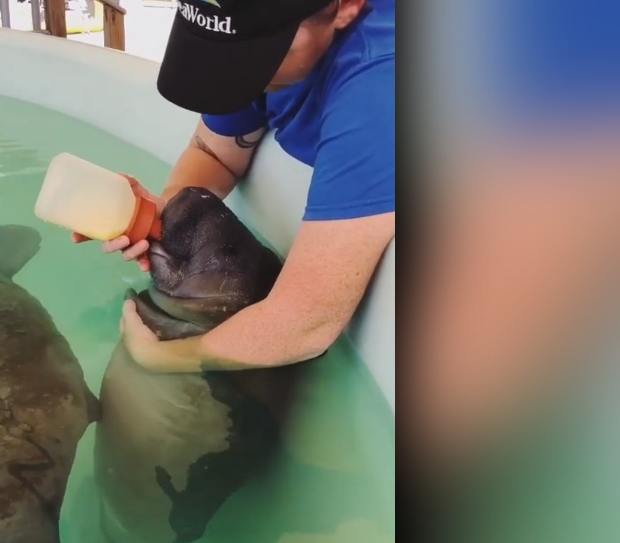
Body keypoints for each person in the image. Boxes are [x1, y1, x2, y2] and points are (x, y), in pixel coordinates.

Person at [73, 0, 395, 373]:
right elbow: (215, 152)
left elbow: (307, 325)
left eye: (256, 53)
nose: (235, 74)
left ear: (346, 6)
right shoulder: (259, 27)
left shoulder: (382, 87)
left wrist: (158, 358)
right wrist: (167, 217)